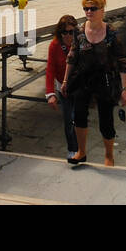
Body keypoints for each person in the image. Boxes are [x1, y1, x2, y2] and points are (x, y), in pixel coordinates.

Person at [61, 0, 126, 167]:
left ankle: (109, 156)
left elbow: (121, 60)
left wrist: (125, 88)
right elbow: (72, 56)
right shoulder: (80, 31)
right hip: (83, 78)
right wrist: (65, 81)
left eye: (93, 8)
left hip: (105, 79)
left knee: (106, 118)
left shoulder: (111, 32)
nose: (89, 12)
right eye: (86, 9)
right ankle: (81, 152)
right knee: (79, 115)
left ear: (102, 10)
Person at [45, 15, 79, 160]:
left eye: (71, 32)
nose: (68, 36)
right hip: (63, 88)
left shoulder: (81, 43)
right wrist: (50, 93)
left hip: (79, 86)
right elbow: (50, 69)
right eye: (64, 32)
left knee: (77, 118)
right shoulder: (55, 46)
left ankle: (79, 149)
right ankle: (72, 149)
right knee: (68, 120)